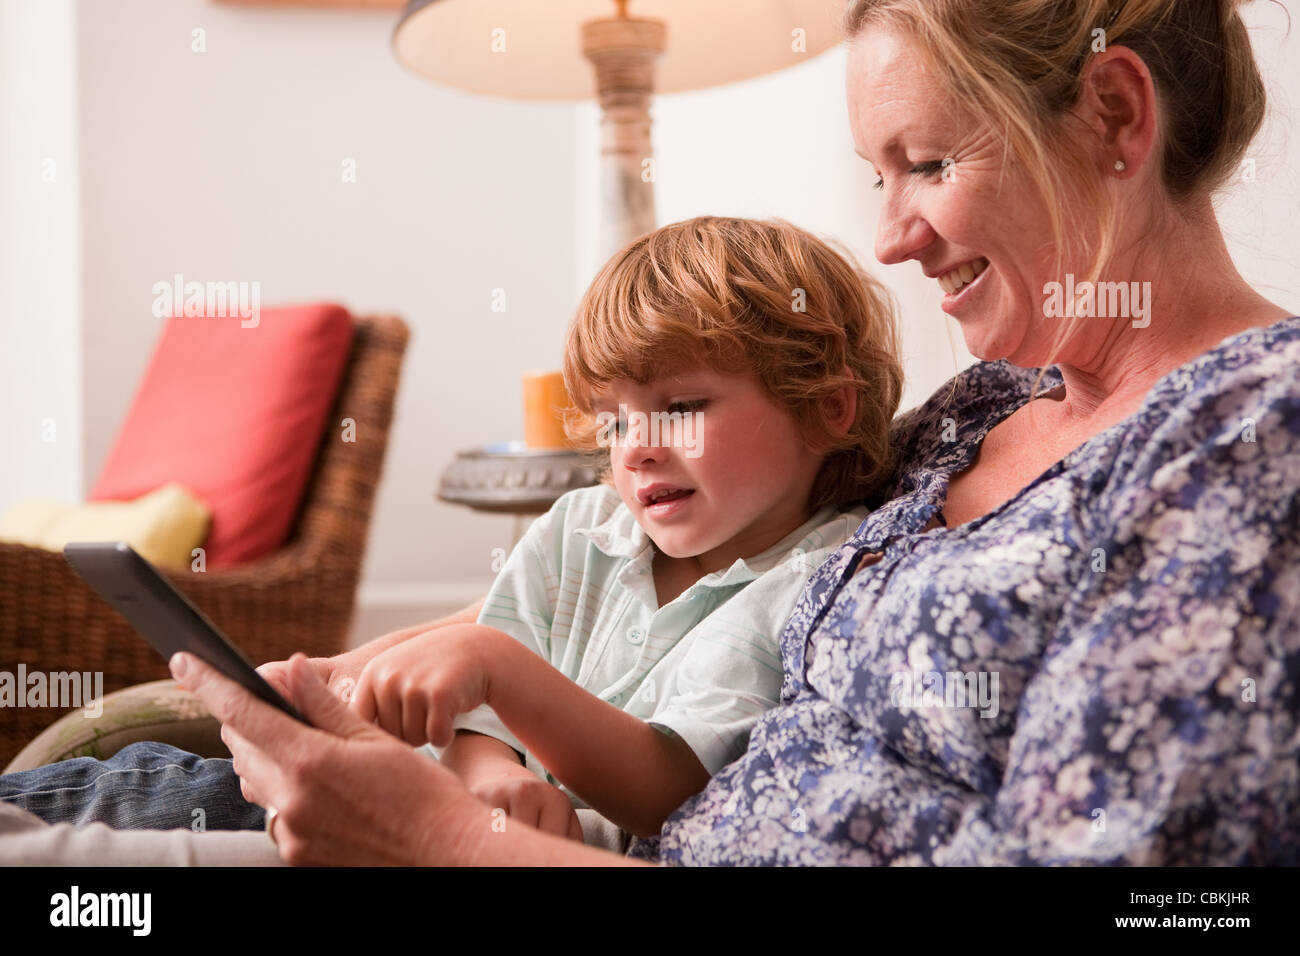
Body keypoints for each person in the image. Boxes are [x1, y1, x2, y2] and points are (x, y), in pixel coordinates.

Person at [2, 0, 1297, 866]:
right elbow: (619, 585)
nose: (892, 235)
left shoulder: (1248, 439)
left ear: (1115, 115)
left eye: (929, 163)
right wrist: (353, 688)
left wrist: (444, 845)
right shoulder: (984, 410)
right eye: (877, 175)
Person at [1, 216, 905, 855]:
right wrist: (486, 773)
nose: (635, 449)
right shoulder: (585, 527)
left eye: (682, 406)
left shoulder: (815, 579)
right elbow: (475, 716)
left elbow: (666, 781)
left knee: (132, 816)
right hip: (414, 794)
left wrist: (495, 668)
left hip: (424, 840)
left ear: (826, 409)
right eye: (614, 421)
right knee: (135, 780)